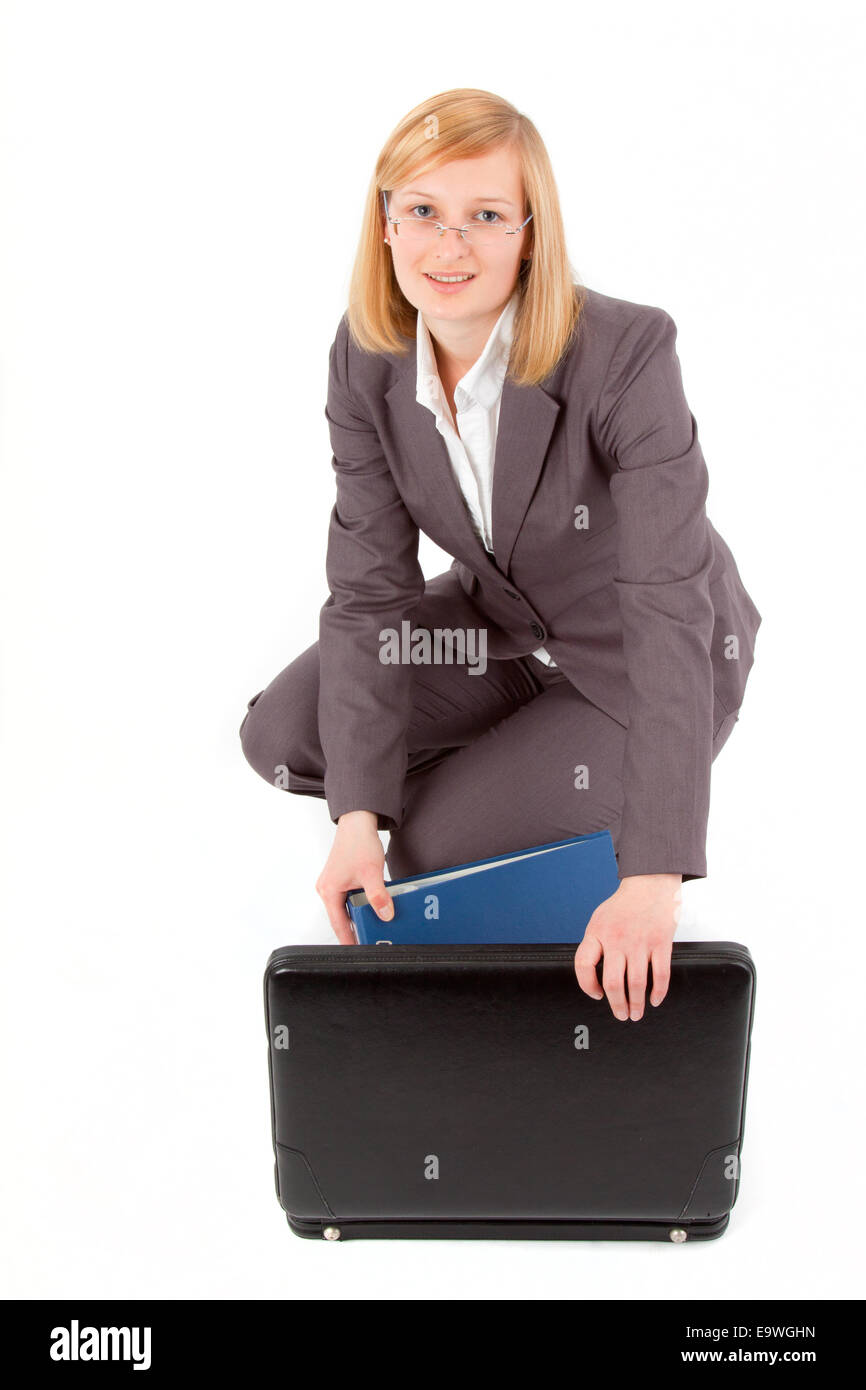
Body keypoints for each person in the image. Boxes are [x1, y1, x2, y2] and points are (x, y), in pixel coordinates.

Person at [239, 87, 761, 1023]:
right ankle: (513, 761)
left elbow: (669, 607)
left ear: (530, 232)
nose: (451, 246)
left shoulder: (630, 353)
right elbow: (369, 596)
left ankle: (555, 794)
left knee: (431, 853)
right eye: (424, 213)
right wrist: (359, 814)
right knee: (281, 738)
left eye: (485, 216)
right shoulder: (366, 360)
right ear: (386, 226)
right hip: (501, 631)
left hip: (641, 663)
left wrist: (654, 874)